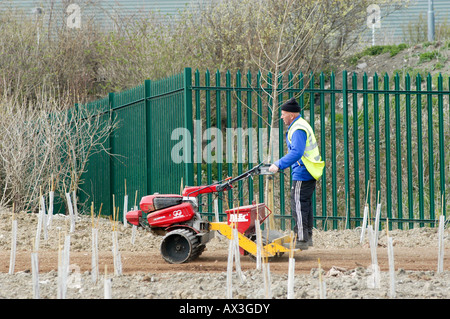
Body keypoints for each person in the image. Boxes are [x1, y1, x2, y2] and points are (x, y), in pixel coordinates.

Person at [269, 97, 324, 250]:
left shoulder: (298, 128)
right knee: (304, 205)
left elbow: (297, 152)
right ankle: (307, 237)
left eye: (283, 114)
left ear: (291, 115)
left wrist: (278, 164)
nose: (281, 117)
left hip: (303, 170)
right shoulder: (300, 124)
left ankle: (301, 239)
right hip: (309, 169)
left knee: (298, 204)